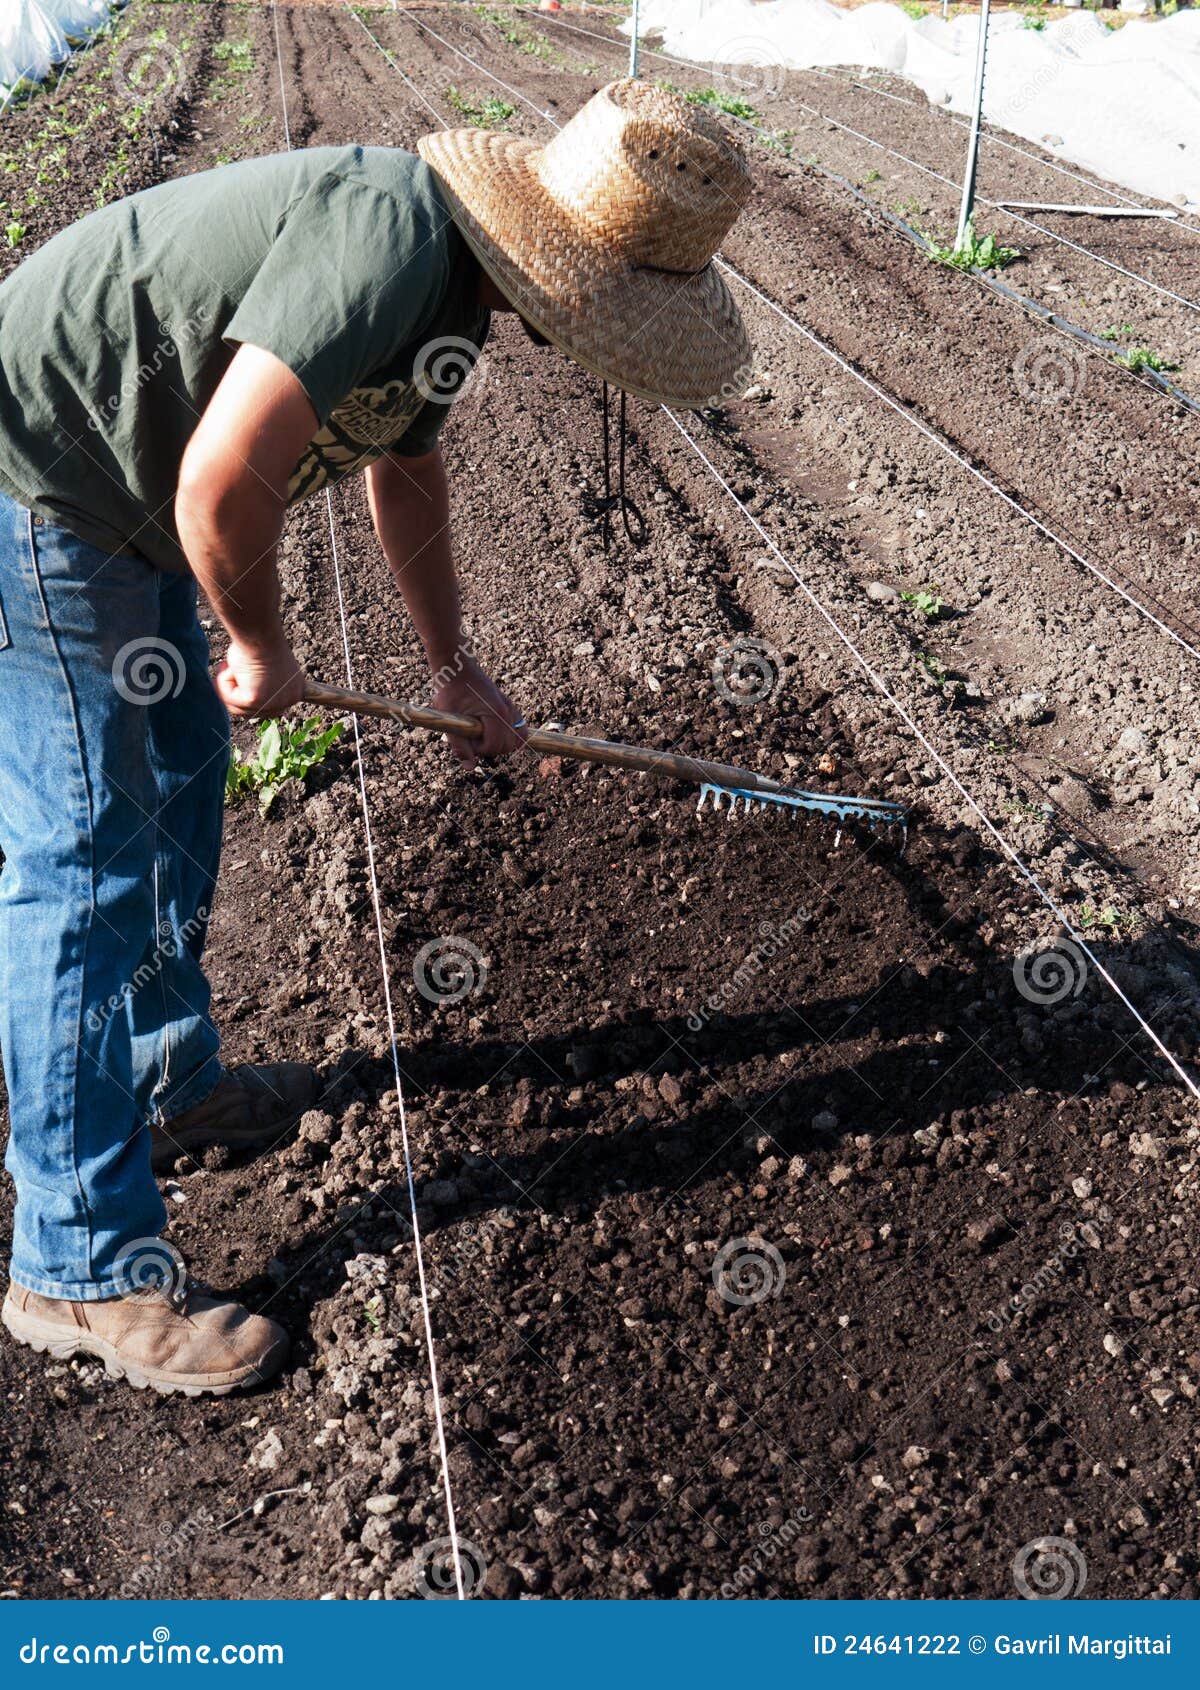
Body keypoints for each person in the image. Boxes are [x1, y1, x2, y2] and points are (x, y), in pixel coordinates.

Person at [0, 79, 752, 1395]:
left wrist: (454, 668)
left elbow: (406, 467)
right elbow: (222, 480)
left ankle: (168, 1080)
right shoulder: (391, 243)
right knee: (83, 860)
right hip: (48, 476)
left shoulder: (451, 293)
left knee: (177, 776)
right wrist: (265, 647)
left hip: (126, 479)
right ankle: (75, 1259)